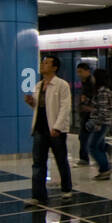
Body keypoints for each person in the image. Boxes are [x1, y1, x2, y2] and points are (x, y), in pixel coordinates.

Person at [25, 54, 74, 205]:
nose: (42, 65)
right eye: (42, 62)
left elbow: (65, 108)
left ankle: (66, 189)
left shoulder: (62, 85)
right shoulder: (39, 85)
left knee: (61, 160)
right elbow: (40, 107)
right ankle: (38, 195)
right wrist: (32, 102)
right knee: (38, 163)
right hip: (40, 129)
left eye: (46, 63)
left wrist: (57, 127)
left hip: (55, 130)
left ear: (54, 67)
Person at [87, 69, 112, 180]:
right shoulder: (103, 90)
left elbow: (103, 111)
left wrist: (97, 123)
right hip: (102, 122)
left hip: (101, 123)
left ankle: (105, 169)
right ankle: (105, 166)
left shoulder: (103, 91)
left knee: (92, 147)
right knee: (99, 146)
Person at [75, 62, 95, 166]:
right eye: (78, 72)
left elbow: (90, 98)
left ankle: (84, 158)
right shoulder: (85, 82)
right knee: (87, 136)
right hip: (86, 113)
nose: (79, 74)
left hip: (89, 113)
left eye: (80, 72)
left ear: (87, 71)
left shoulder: (90, 83)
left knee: (84, 136)